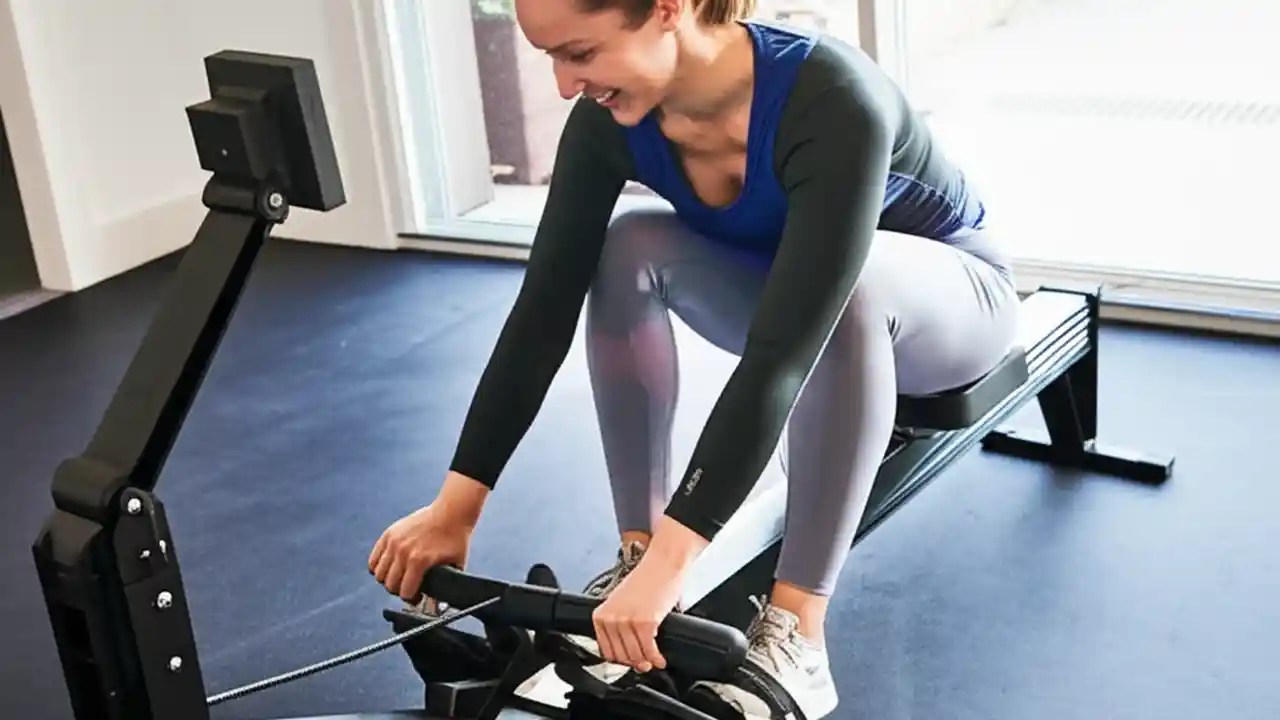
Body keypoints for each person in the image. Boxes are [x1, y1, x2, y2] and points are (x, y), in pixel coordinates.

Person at [369, 0, 1020, 716]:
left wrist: (686, 556)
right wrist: (456, 507)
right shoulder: (607, 124)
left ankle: (798, 633)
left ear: (667, 11)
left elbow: (777, 359)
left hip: (953, 299)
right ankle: (635, 556)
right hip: (787, 285)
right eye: (550, 58)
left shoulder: (833, 101)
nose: (561, 85)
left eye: (579, 54)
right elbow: (540, 313)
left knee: (853, 293)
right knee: (628, 248)